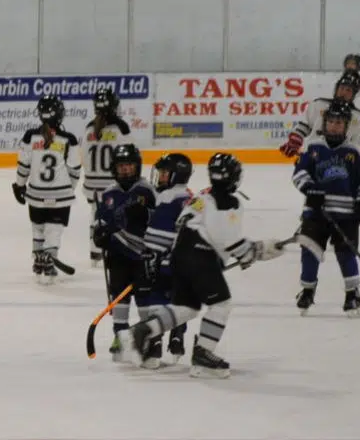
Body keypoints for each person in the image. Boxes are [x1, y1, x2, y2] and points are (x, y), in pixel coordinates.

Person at [117, 153, 287, 378]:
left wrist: (251, 251)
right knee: (221, 304)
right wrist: (256, 250)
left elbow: (188, 225)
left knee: (186, 308)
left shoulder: (200, 197)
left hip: (180, 256)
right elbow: (228, 240)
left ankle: (140, 332)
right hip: (201, 257)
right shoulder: (228, 201)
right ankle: (203, 356)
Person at [291, 101, 360, 317]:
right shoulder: (314, 148)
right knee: (309, 250)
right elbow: (299, 173)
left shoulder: (354, 153)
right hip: (315, 213)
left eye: (339, 122)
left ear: (346, 126)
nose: (335, 126)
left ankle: (352, 293)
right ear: (324, 124)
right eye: (331, 122)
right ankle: (307, 290)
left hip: (346, 214)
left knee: (346, 253)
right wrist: (310, 190)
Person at [91, 144, 156, 363]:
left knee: (145, 299)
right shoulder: (109, 192)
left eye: (129, 166)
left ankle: (148, 337)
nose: (125, 170)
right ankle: (119, 335)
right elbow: (101, 221)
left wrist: (146, 213)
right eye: (121, 167)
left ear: (137, 167)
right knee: (120, 298)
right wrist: (99, 234)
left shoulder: (147, 191)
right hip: (117, 255)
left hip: (142, 256)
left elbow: (158, 221)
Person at [11, 95, 81, 284]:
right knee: (54, 231)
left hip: (36, 194)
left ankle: (38, 259)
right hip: (61, 195)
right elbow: (74, 170)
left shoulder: (30, 137)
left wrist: (19, 184)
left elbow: (23, 166)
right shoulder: (69, 140)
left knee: (38, 229)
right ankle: (49, 259)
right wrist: (69, 188)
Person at [138, 153, 194, 367]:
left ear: (175, 176)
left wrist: (150, 254)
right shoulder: (190, 196)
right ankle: (178, 336)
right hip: (187, 265)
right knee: (178, 301)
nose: (159, 178)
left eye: (163, 174)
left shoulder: (168, 197)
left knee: (156, 298)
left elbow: (158, 234)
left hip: (166, 263)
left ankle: (154, 346)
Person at [82, 89, 133, 267]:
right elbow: (129, 156)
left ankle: (95, 253)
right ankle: (114, 251)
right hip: (112, 182)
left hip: (91, 183)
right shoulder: (121, 127)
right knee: (117, 216)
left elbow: (85, 157)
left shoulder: (89, 128)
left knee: (95, 215)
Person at [280, 71, 360, 158]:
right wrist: (295, 140)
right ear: (336, 89)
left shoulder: (359, 118)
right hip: (312, 157)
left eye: (348, 90)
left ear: (354, 95)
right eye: (341, 88)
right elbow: (305, 125)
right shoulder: (318, 105)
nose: (344, 92)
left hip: (341, 163)